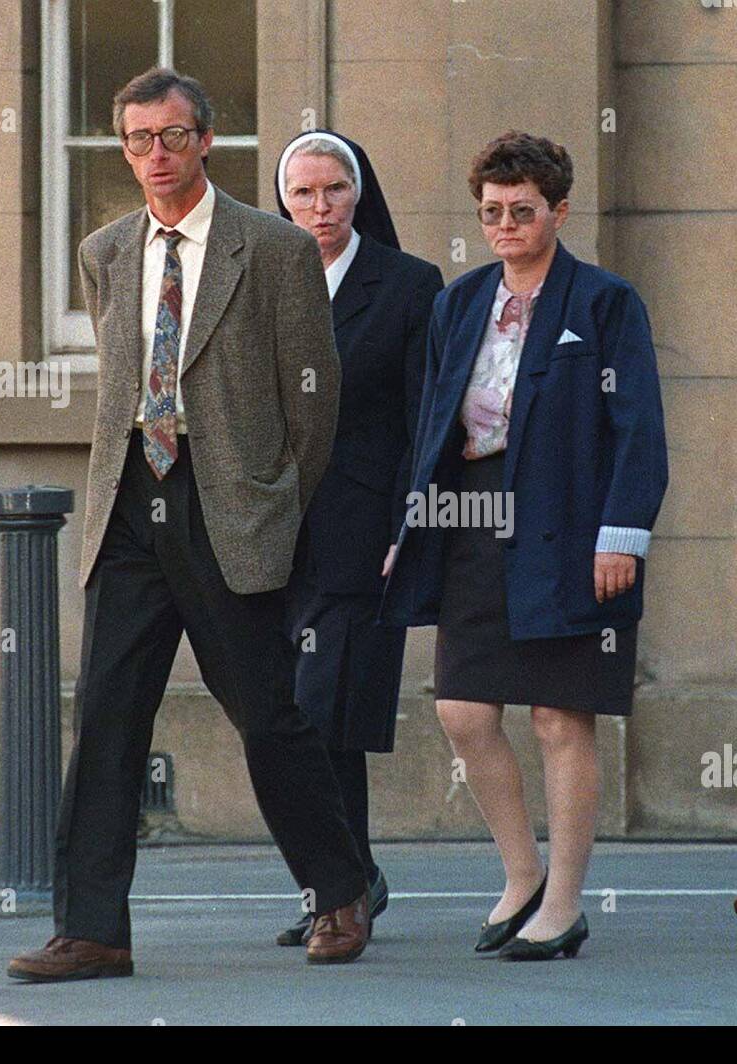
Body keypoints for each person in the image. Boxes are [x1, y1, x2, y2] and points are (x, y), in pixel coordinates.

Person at [9, 68, 370, 980]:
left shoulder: (275, 250)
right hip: (130, 502)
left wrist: (273, 496)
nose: (155, 156)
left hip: (229, 511)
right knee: (106, 719)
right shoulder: (105, 253)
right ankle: (91, 930)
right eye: (137, 140)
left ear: (207, 140)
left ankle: (339, 889)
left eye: (172, 136)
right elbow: (127, 382)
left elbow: (313, 399)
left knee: (265, 714)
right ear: (123, 149)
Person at [381, 132, 668, 961]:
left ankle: (566, 904)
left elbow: (640, 428)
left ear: (558, 212)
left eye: (522, 211)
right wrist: (411, 526)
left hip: (573, 523)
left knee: (558, 716)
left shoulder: (605, 303)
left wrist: (622, 535)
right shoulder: (459, 302)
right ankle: (521, 873)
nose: (505, 224)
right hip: (471, 517)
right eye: (492, 213)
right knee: (463, 710)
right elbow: (431, 425)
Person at [272, 130, 443, 947]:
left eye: (333, 189)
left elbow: (424, 419)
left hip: (362, 531)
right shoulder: (262, 278)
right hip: (272, 537)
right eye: (302, 193)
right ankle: (342, 879)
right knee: (289, 719)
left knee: (326, 712)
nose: (319, 208)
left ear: (359, 191)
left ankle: (343, 889)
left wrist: (412, 522)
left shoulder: (409, 285)